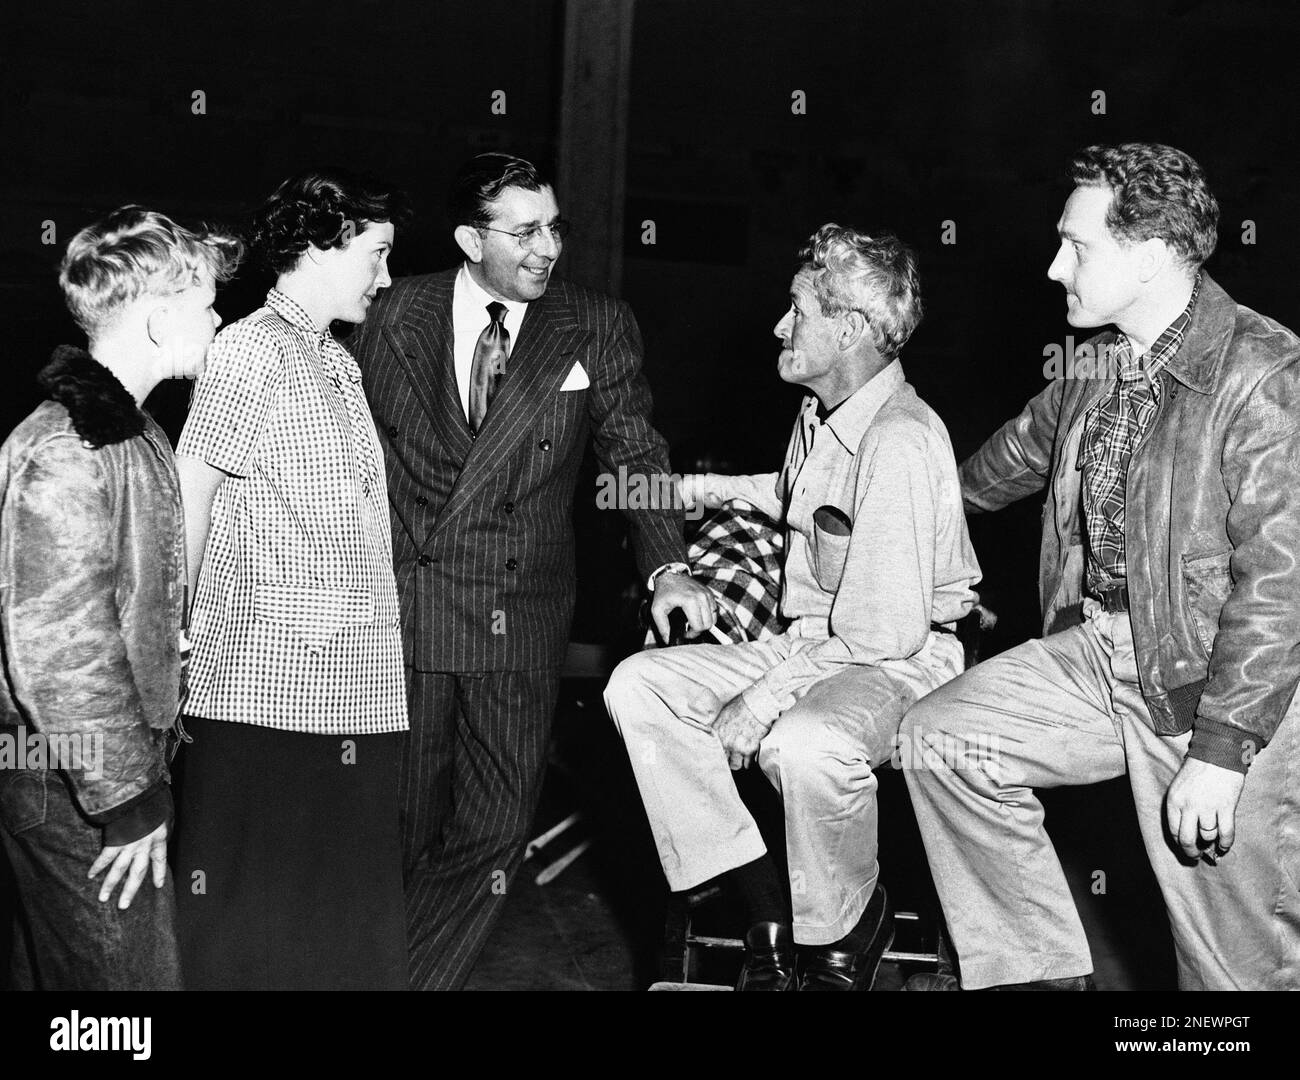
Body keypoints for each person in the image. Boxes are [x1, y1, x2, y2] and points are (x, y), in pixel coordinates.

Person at [901, 142, 1300, 991]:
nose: (1053, 268)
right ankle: (1038, 976)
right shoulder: (1099, 361)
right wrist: (889, 510)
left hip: (1214, 681)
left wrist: (1222, 753)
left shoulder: (1264, 372)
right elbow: (999, 467)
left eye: (1076, 246)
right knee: (941, 738)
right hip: (1097, 650)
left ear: (1151, 255)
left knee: (1232, 970)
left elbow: (1282, 582)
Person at [347, 151, 716, 990]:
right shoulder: (390, 313)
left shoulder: (593, 322)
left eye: (555, 227)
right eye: (525, 231)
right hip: (406, 607)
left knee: (498, 829)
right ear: (469, 239)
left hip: (521, 612)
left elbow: (635, 452)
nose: (549, 247)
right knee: (400, 827)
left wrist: (667, 568)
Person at [604, 224, 981, 990]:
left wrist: (763, 698)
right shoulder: (824, 414)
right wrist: (689, 492)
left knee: (800, 743)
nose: (781, 326)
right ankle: (767, 908)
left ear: (848, 328)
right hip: (817, 643)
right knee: (638, 687)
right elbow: (794, 496)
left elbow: (882, 633)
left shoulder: (901, 440)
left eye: (798, 310)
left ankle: (846, 926)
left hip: (901, 659)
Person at [173, 168, 412, 989]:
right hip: (261, 690)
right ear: (316, 246)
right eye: (376, 255)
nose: (386, 278)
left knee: (335, 919)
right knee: (243, 920)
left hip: (354, 691)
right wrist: (177, 633)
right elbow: (191, 486)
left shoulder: (337, 364)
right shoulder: (249, 348)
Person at [0, 205, 239, 989]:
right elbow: (60, 648)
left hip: (89, 763)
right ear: (161, 316)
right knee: (127, 994)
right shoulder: (69, 447)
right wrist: (128, 800)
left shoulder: (129, 432)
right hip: (72, 772)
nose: (217, 318)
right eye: (205, 302)